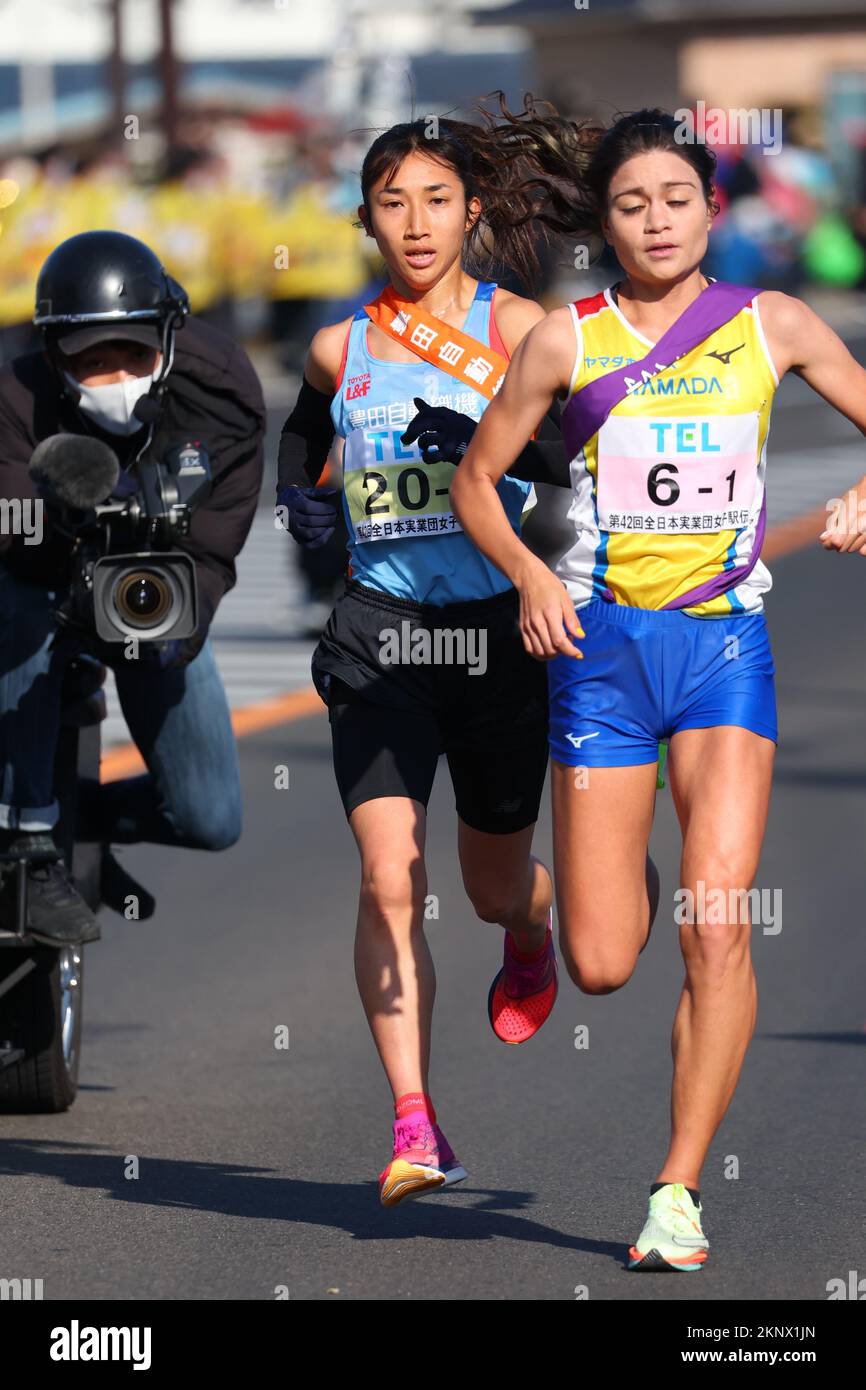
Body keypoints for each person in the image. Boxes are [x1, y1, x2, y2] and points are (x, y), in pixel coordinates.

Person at [450, 106, 866, 1269]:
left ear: (709, 209)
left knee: (717, 919)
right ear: (606, 220)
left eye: (675, 199)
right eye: (631, 203)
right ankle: (575, 896)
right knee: (600, 958)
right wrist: (530, 573)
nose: (656, 220)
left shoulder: (770, 324)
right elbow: (480, 482)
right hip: (601, 657)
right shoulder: (563, 344)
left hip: (722, 648)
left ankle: (674, 1188)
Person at [276, 107, 650, 1208]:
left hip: (495, 632)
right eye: (391, 203)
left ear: (471, 209)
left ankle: (529, 927)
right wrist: (304, 501)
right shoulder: (338, 346)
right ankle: (413, 1119)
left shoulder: (520, 327)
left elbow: (580, 466)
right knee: (389, 876)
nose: (415, 222)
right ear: (365, 220)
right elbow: (307, 433)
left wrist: (500, 457)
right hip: (378, 635)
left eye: (436, 198)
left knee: (489, 888)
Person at [0, 230, 265, 945]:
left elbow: (213, 553)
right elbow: (9, 528)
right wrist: (62, 518)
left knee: (213, 820)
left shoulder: (225, 394)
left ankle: (78, 820)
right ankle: (24, 843)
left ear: (168, 338)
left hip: (160, 594)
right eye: (91, 359)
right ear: (54, 355)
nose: (113, 375)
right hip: (47, 590)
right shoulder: (15, 398)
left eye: (131, 353)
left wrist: (182, 622)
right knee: (14, 601)